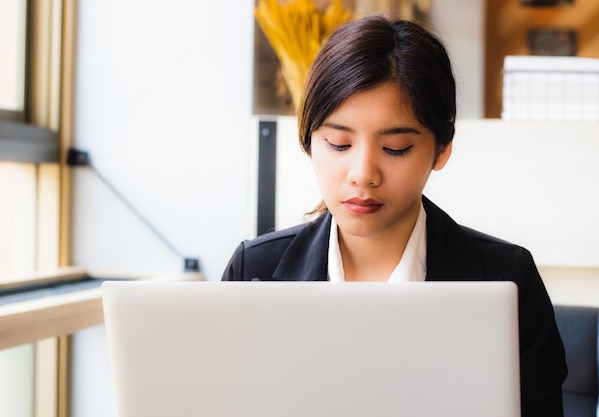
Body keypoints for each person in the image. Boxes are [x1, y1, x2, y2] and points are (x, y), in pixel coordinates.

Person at [222, 14, 567, 417]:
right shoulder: (254, 271)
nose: (363, 174)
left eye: (396, 148)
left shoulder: (508, 277)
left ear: (441, 149)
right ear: (308, 142)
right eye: (338, 143)